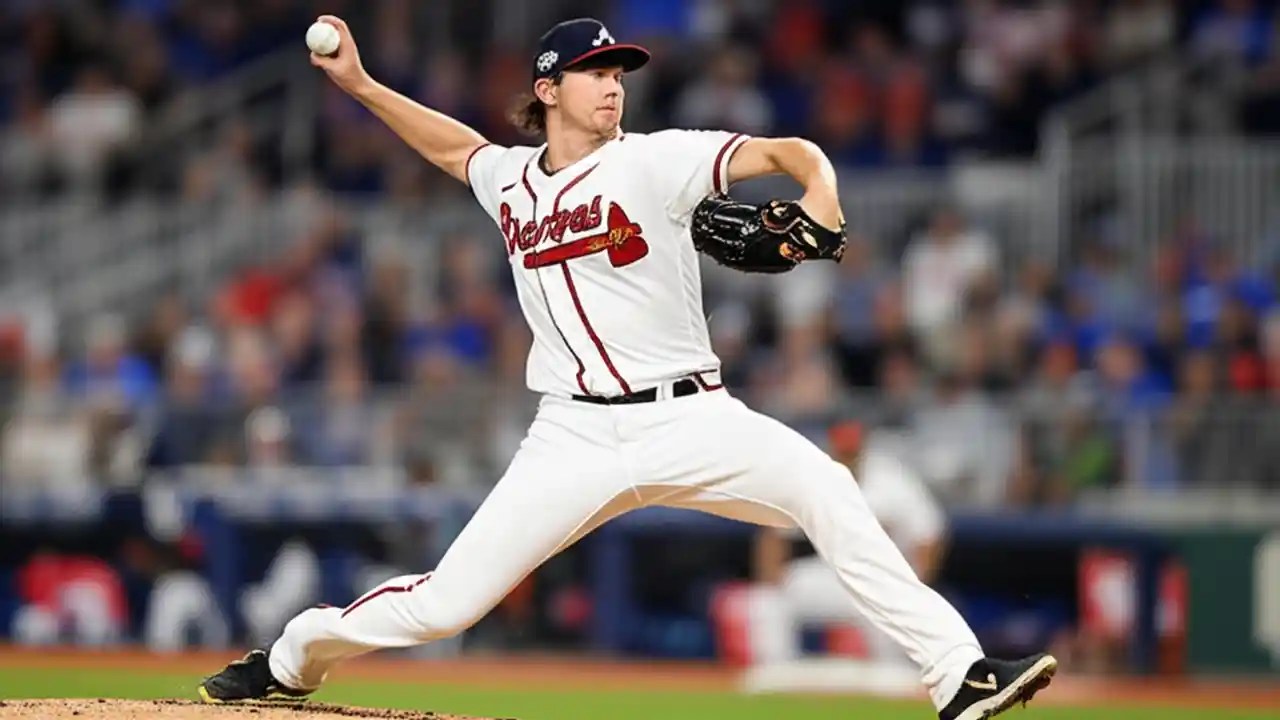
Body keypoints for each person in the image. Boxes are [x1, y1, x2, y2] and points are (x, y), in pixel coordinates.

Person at [199, 17, 1055, 720]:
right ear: (547, 91)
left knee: (827, 487)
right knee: (444, 606)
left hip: (693, 418)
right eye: (593, 71)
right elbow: (456, 149)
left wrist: (820, 202)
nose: (613, 84)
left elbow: (793, 152)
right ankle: (291, 657)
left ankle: (958, 674)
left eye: (619, 71)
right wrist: (358, 86)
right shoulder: (509, 182)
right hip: (571, 433)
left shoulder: (655, 158)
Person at [744, 421, 946, 668]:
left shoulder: (893, 481)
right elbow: (774, 534)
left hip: (879, 581)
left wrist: (914, 586)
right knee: (767, 601)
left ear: (863, 449)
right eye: (841, 450)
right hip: (828, 574)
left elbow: (929, 534)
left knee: (892, 626)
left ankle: (895, 683)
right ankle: (776, 676)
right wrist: (770, 577)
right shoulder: (813, 476)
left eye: (852, 451)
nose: (847, 457)